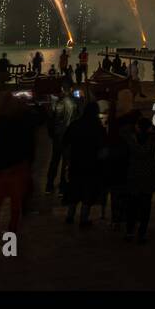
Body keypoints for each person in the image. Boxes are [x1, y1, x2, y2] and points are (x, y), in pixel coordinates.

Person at [0, 93, 36, 241]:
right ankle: (11, 237)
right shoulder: (22, 121)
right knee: (15, 207)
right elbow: (27, 146)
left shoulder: (0, 121)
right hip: (16, 168)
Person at [62, 94, 106, 227]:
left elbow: (65, 141)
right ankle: (83, 218)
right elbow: (103, 147)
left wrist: (68, 159)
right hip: (91, 165)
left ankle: (70, 215)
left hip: (76, 163)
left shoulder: (76, 124)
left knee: (74, 190)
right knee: (88, 192)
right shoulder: (98, 128)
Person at [123, 111, 155, 243]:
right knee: (146, 205)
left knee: (132, 205)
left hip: (134, 175)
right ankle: (142, 232)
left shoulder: (130, 141)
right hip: (148, 177)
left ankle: (129, 231)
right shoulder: (153, 141)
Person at [45, 86, 75, 194]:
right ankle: (63, 186)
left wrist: (52, 134)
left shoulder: (57, 103)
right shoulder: (72, 104)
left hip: (58, 137)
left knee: (55, 160)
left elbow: (51, 121)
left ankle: (49, 184)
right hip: (67, 136)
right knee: (65, 162)